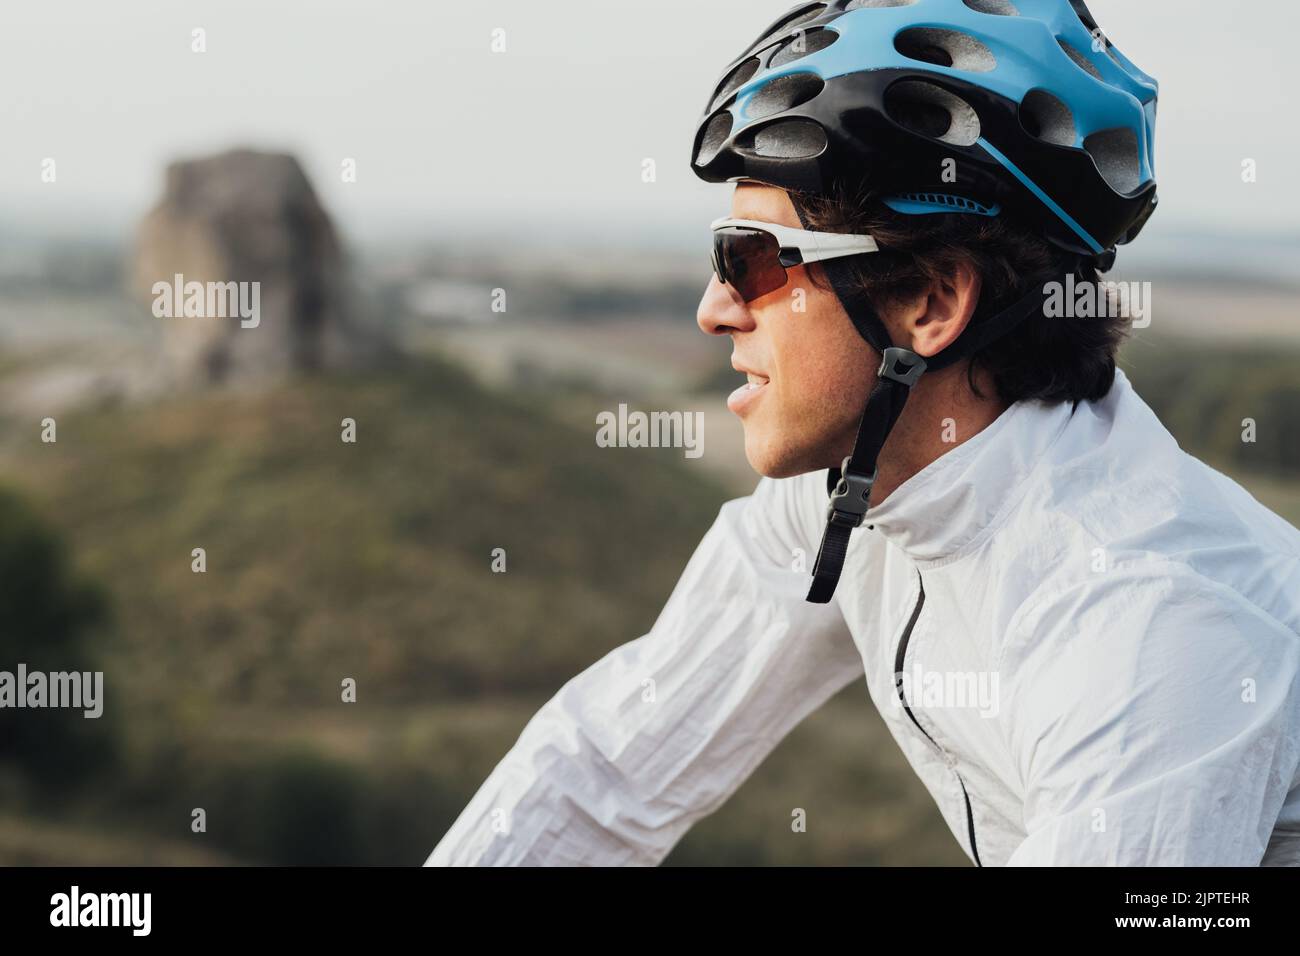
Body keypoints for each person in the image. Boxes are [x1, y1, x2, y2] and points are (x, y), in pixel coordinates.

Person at [427, 0, 1300, 866]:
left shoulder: (1149, 625)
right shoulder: (854, 491)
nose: (713, 310)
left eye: (755, 260)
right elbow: (606, 772)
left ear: (929, 303)